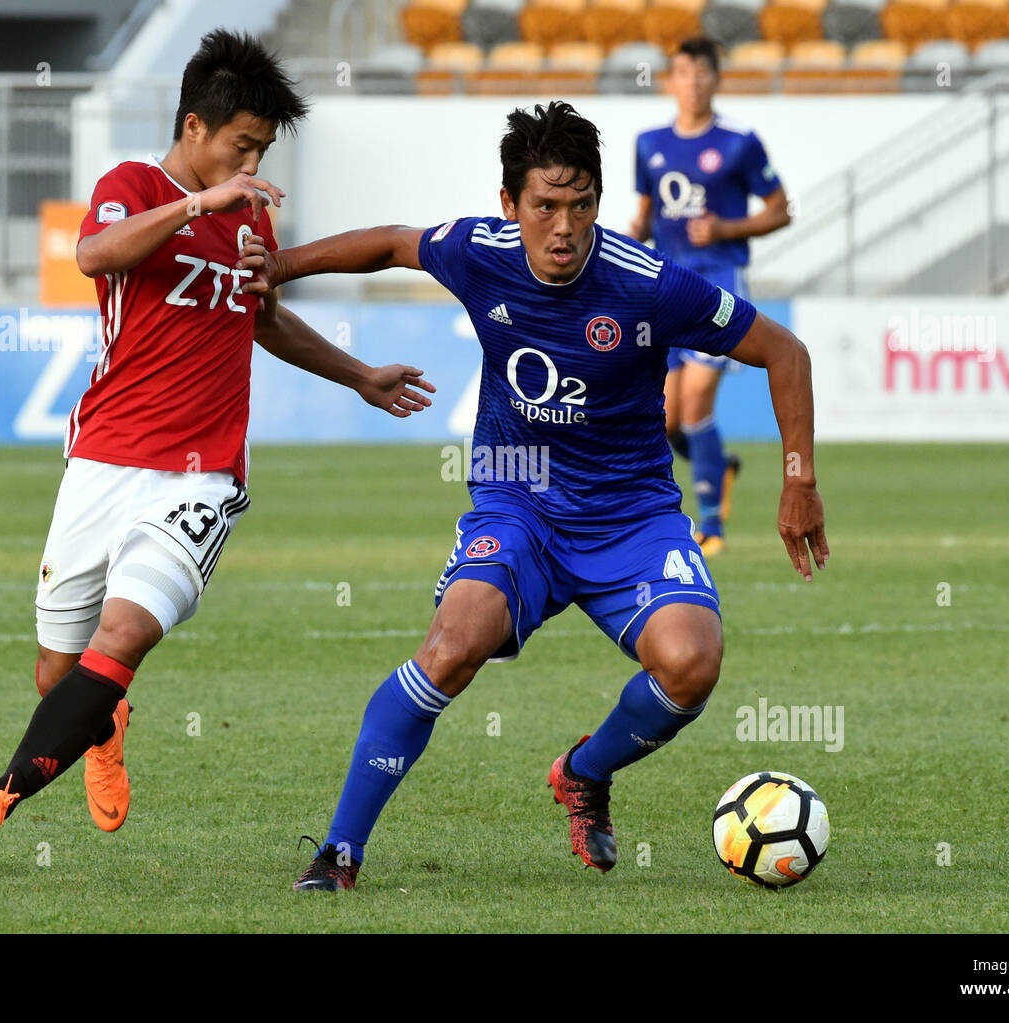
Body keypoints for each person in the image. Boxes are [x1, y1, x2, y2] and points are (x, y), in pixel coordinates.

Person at [245, 100, 827, 892]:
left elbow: (783, 350)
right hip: (518, 504)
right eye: (545, 206)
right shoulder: (478, 252)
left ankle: (585, 771)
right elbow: (390, 243)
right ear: (510, 205)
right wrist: (279, 267)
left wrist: (800, 481)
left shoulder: (649, 286)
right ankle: (341, 850)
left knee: (692, 665)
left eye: (581, 204)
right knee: (453, 645)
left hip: (632, 515)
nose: (564, 226)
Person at [0, 28, 434, 851]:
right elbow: (95, 255)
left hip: (199, 476)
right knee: (56, 674)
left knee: (124, 634)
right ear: (195, 127)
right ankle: (105, 722)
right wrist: (194, 206)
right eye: (243, 147)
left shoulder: (248, 223)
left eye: (262, 151)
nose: (251, 166)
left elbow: (263, 323)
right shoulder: (133, 184)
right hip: (102, 460)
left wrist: (358, 375)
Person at [630, 37, 793, 556]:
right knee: (669, 420)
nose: (693, 82)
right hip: (665, 284)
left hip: (718, 283)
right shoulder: (648, 143)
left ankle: (711, 528)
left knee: (697, 400)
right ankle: (719, 468)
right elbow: (644, 216)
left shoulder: (739, 143)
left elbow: (780, 210)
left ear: (716, 79)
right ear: (669, 82)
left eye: (703, 73)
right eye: (683, 73)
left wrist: (725, 228)